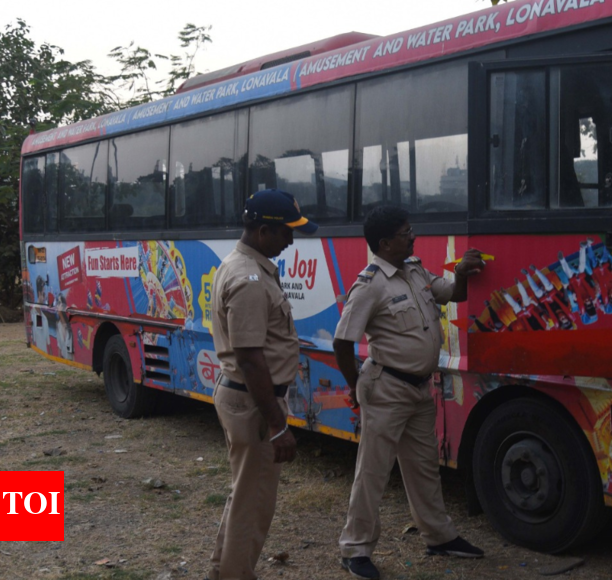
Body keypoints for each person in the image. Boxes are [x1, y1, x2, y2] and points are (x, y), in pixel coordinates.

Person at [333, 206, 485, 580]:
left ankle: (439, 536)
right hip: (386, 388)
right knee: (373, 472)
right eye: (405, 233)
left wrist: (462, 273)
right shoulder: (370, 284)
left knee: (423, 469)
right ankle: (355, 549)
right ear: (385, 243)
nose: (412, 236)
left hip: (419, 388)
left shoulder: (415, 268)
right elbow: (342, 341)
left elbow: (452, 294)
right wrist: (356, 386)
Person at [206, 189, 318, 580]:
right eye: (287, 232)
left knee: (245, 496)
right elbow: (251, 359)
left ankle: (224, 570)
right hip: (253, 401)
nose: (291, 241)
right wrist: (277, 425)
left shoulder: (242, 265)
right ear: (264, 231)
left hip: (246, 397)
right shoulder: (250, 279)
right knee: (253, 503)